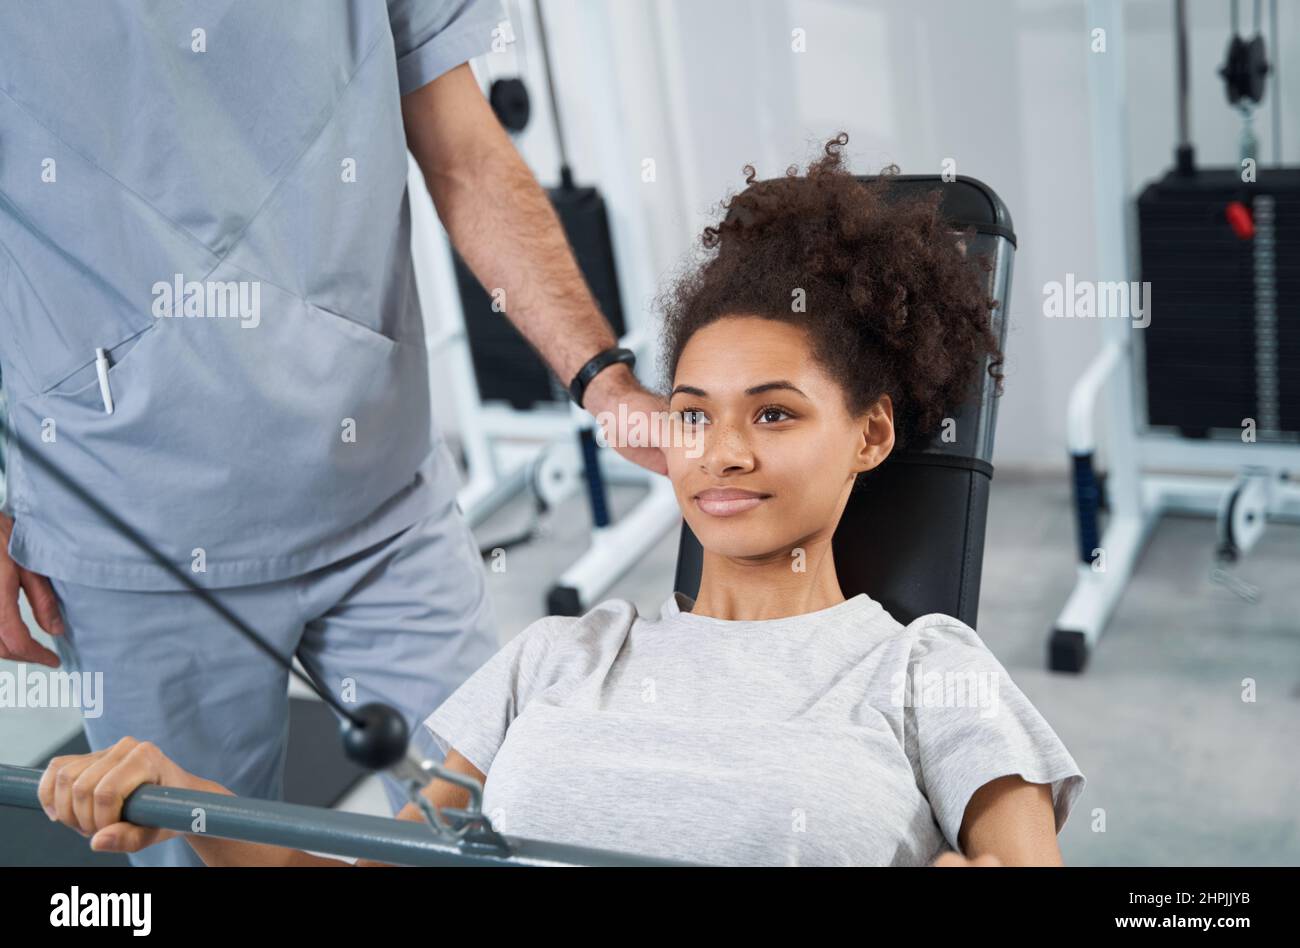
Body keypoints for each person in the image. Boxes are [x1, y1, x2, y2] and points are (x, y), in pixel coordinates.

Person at [39, 134, 1087, 866]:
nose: (718, 452)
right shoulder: (558, 654)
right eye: (691, 413)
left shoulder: (924, 667)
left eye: (772, 415)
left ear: (871, 433)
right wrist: (200, 805)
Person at [0, 0, 666, 866]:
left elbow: (465, 151)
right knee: (183, 849)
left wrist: (603, 380)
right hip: (131, 516)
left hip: (379, 491)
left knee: (488, 832)